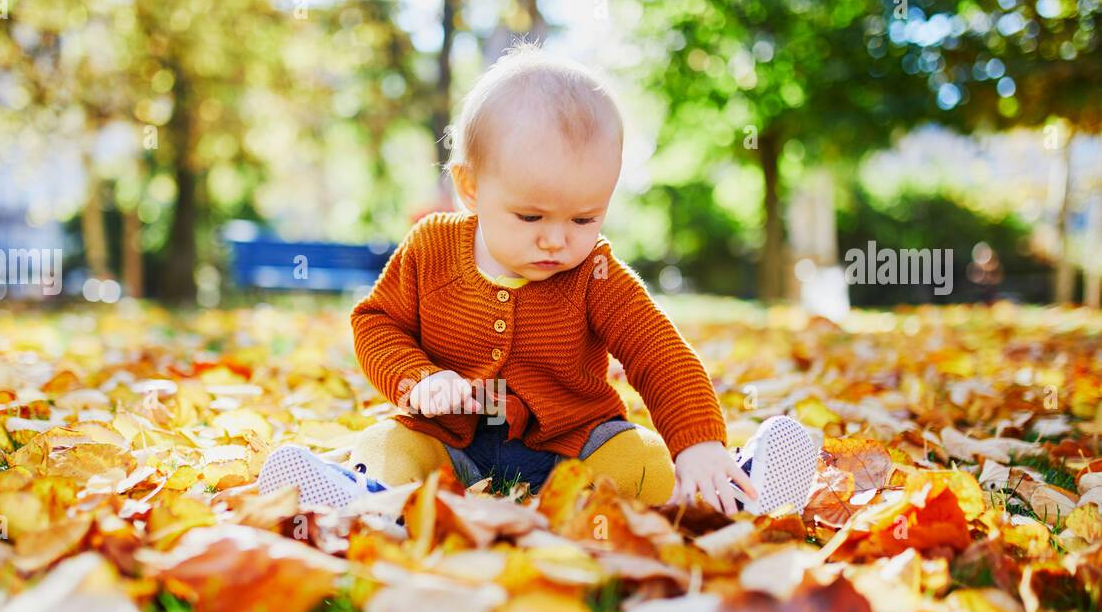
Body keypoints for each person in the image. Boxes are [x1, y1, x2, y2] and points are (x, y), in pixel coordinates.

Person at [259, 43, 817, 516]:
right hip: (449, 442)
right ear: (471, 187)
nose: (557, 240)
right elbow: (376, 323)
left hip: (573, 447)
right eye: (531, 217)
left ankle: (725, 492)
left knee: (640, 458)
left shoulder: (596, 273)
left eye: (584, 219)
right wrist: (416, 378)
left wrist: (699, 442)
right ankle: (371, 504)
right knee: (388, 442)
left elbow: (658, 352)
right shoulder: (431, 249)